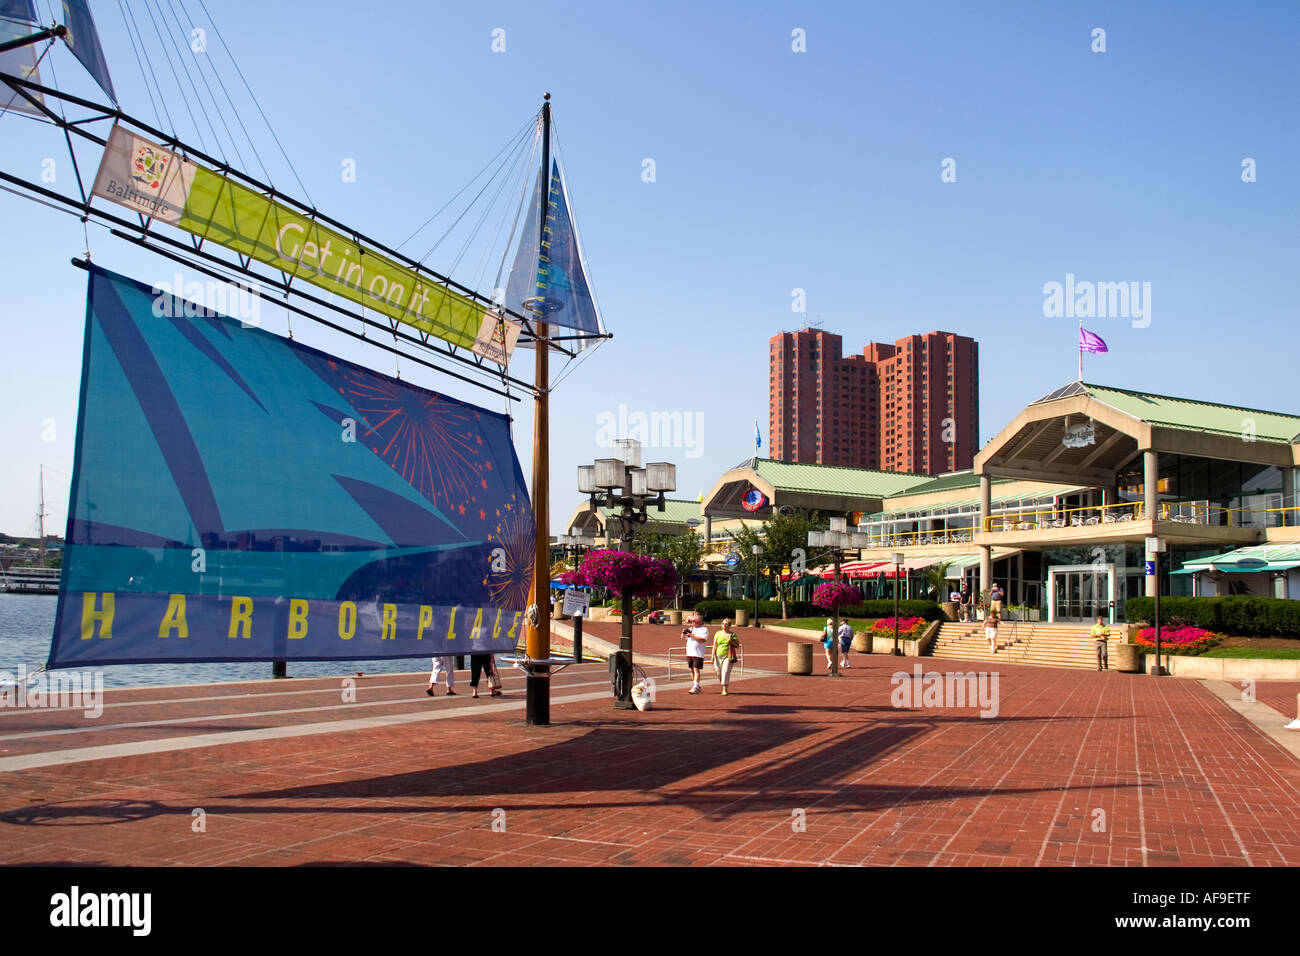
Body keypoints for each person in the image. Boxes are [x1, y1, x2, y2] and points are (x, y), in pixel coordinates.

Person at [683, 612, 709, 694]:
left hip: (698, 653)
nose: (693, 623)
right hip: (690, 652)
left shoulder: (704, 629)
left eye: (695, 621)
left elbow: (702, 639)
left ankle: (696, 686)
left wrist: (691, 635)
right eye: (692, 621)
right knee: (691, 670)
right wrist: (684, 632)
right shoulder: (691, 629)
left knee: (696, 670)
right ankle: (696, 685)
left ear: (700, 622)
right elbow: (683, 637)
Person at [713, 618, 739, 695]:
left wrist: (731, 640)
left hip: (728, 655)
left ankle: (725, 688)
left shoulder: (732, 634)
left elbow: (737, 645)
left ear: (729, 626)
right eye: (722, 623)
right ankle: (723, 682)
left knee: (725, 672)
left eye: (726, 624)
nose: (724, 625)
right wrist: (712, 655)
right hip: (718, 655)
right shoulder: (718, 633)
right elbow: (715, 645)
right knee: (718, 671)